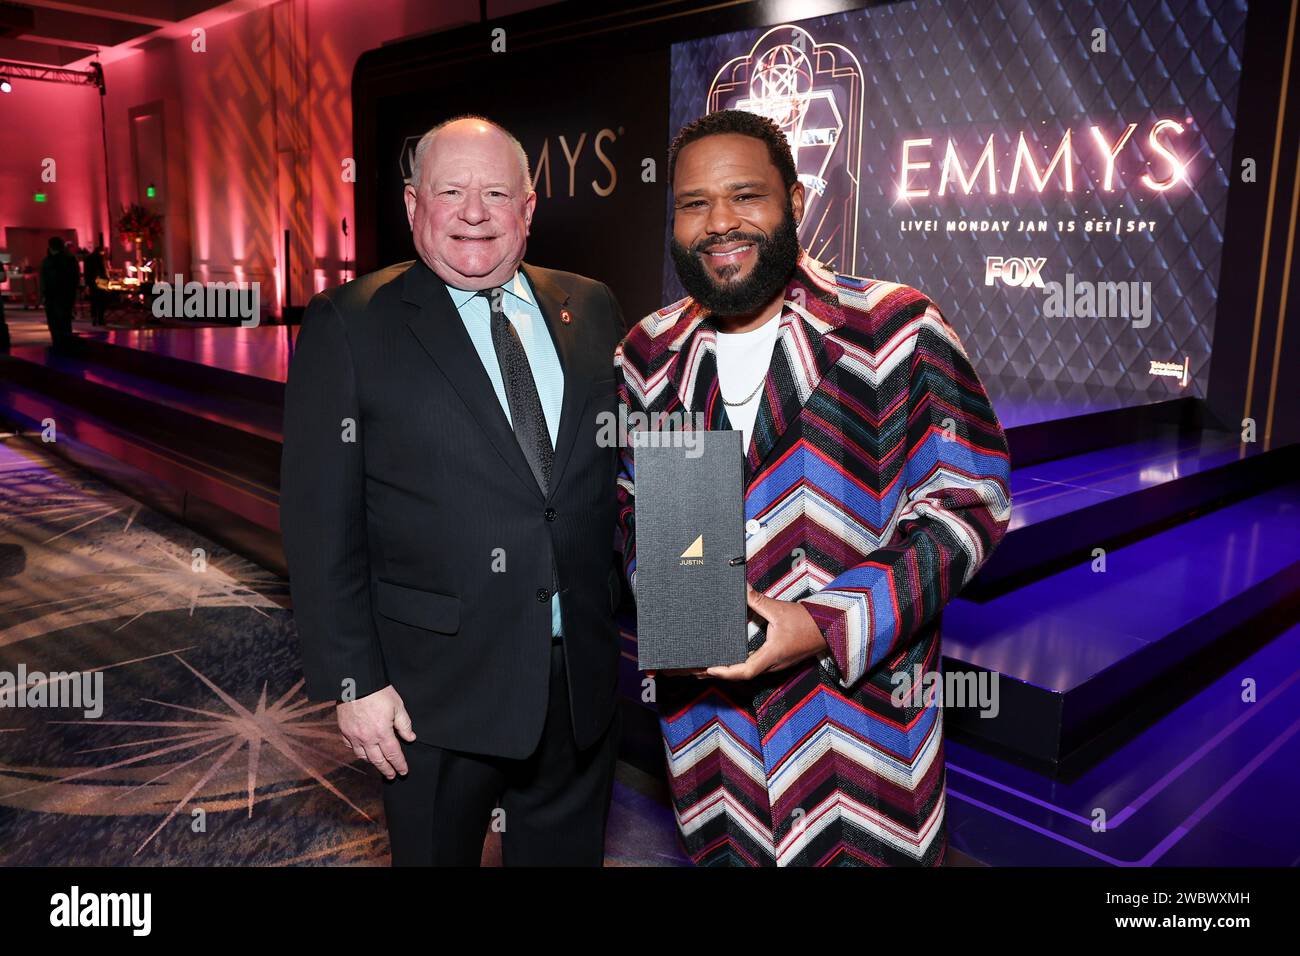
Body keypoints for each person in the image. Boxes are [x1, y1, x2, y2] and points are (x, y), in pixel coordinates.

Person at [614, 110, 1012, 866]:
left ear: (795, 202)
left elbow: (969, 504)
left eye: (745, 196)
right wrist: (679, 594)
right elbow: (634, 503)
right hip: (711, 753)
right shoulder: (649, 352)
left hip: (860, 747)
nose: (719, 223)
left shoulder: (893, 327)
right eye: (695, 203)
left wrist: (821, 624)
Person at [280, 115, 626, 866]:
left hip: (579, 685)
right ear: (413, 206)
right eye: (452, 191)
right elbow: (318, 523)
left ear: (528, 210)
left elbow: (616, 480)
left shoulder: (592, 306)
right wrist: (354, 682)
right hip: (428, 697)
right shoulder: (351, 324)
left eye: (497, 192)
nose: (475, 212)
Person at [38, 237, 79, 351]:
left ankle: (57, 344)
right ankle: (67, 345)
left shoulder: (47, 261)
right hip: (66, 295)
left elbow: (43, 281)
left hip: (52, 296)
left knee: (54, 323)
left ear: (50, 247)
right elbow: (75, 279)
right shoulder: (71, 260)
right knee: (65, 321)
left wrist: (42, 296)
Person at [84, 245, 109, 327]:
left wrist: (87, 283)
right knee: (101, 301)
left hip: (91, 282)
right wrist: (106, 280)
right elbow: (103, 270)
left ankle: (94, 318)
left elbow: (86, 272)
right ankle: (101, 319)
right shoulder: (99, 258)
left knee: (94, 301)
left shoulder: (88, 258)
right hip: (101, 281)